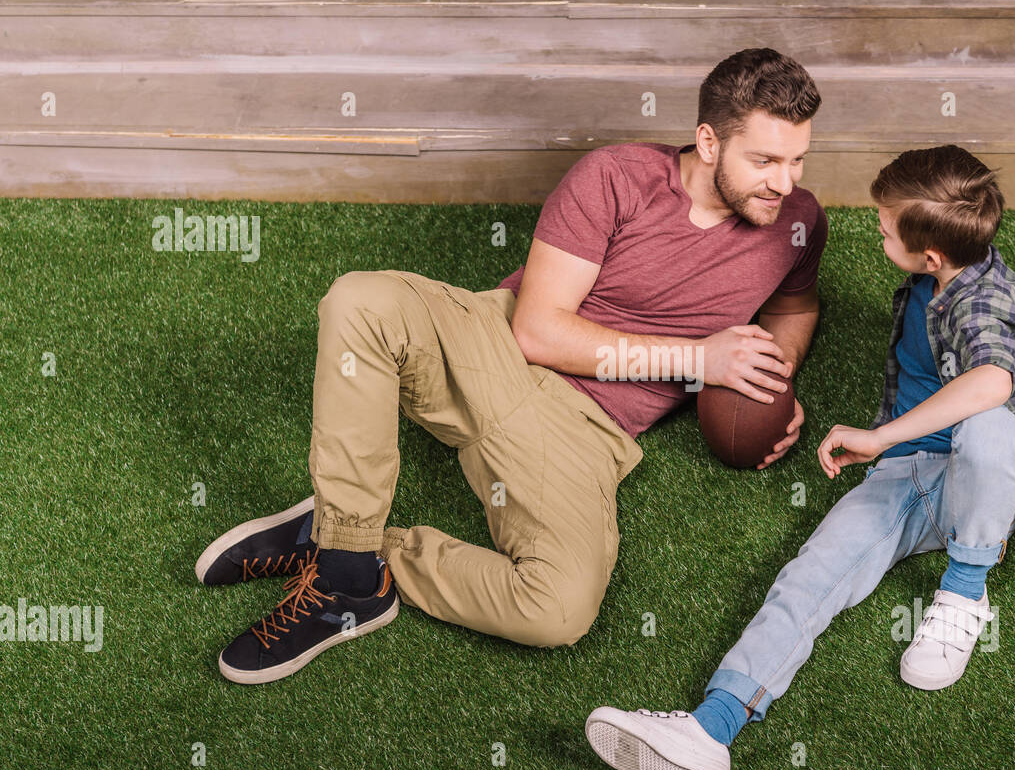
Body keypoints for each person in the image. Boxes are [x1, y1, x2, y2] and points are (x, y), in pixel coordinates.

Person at [193, 48, 829, 685]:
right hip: (492, 349)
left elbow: (796, 303)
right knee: (360, 303)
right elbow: (537, 330)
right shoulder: (617, 177)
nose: (784, 181)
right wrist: (699, 359)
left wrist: (776, 372)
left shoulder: (795, 222)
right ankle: (347, 575)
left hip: (588, 428)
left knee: (557, 609)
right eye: (766, 161)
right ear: (709, 142)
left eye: (797, 159)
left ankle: (348, 543)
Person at [584, 145, 1015, 770]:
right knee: (808, 575)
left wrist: (877, 435)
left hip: (974, 487)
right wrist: (891, 449)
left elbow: (990, 379)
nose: (876, 227)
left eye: (885, 225)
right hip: (905, 479)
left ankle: (964, 588)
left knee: (992, 425)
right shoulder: (939, 274)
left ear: (929, 255)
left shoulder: (986, 299)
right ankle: (711, 730)